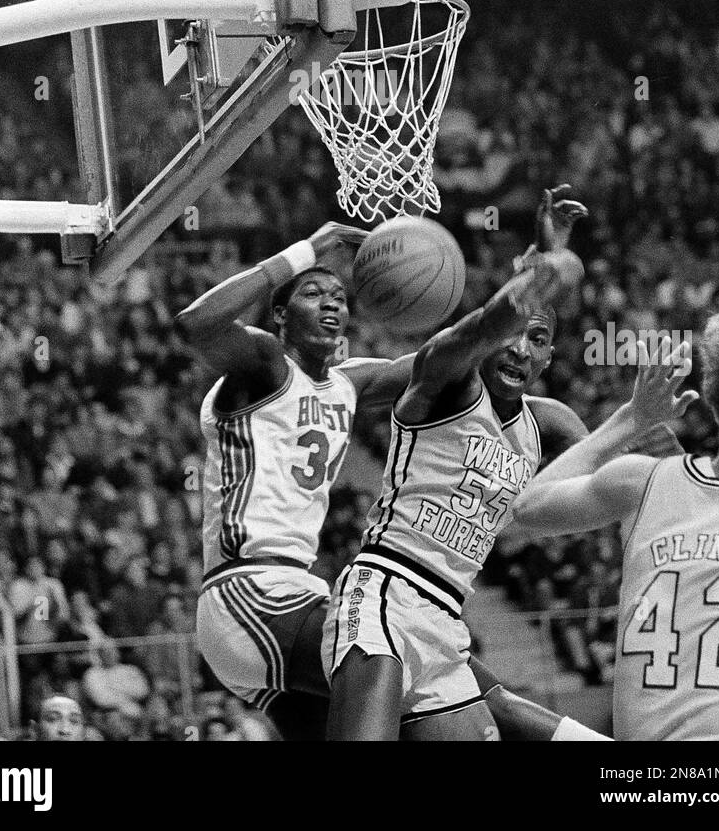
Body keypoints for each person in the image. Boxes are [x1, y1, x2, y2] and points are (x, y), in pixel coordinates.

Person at [185, 212, 598, 741]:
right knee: (452, 677)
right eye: (314, 293)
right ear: (281, 314)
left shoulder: (347, 384)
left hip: (291, 594)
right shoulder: (263, 365)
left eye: (340, 295)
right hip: (249, 593)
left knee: (430, 696)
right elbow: (197, 325)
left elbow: (463, 354)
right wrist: (308, 249)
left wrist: (529, 272)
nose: (333, 302)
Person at [321, 187, 611, 740]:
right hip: (386, 593)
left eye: (539, 341)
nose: (521, 350)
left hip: (447, 619)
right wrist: (543, 270)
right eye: (514, 335)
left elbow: (607, 485)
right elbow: (480, 328)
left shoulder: (547, 423)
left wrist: (640, 425)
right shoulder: (452, 376)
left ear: (551, 355)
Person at [512, 302, 719, 741]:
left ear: (712, 397)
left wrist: (630, 418)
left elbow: (526, 508)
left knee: (495, 702)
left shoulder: (641, 479)